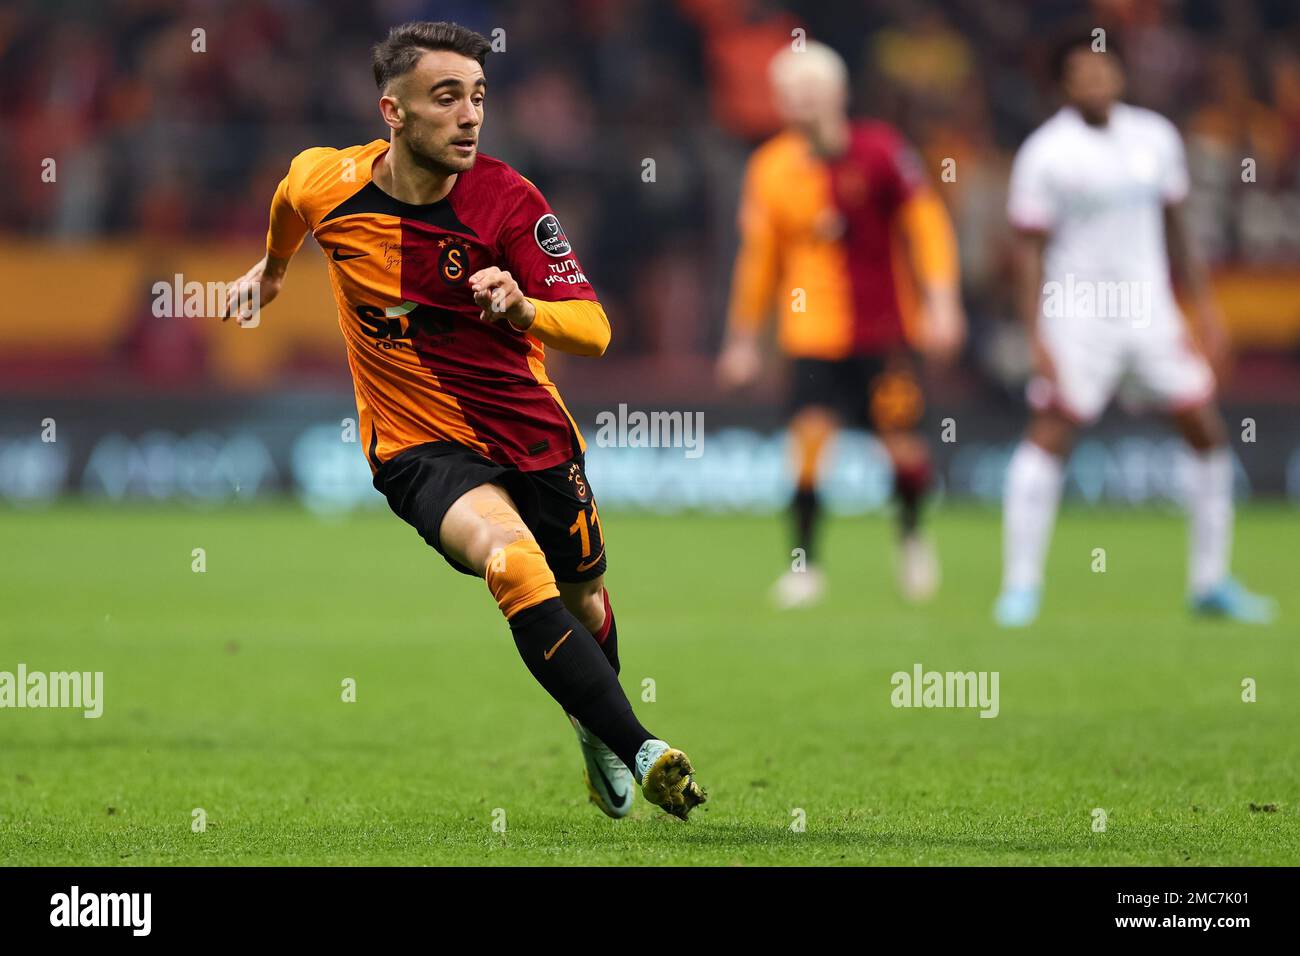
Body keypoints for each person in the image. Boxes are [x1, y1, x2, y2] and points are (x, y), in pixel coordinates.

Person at [222, 21, 706, 819]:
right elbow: (287, 201)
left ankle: (592, 720)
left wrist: (523, 308)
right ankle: (642, 745)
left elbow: (595, 328)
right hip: (415, 445)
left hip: (528, 432)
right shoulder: (328, 183)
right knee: (513, 565)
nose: (469, 116)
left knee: (584, 598)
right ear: (394, 110)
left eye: (478, 97)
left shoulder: (509, 200)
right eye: (446, 97)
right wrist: (270, 271)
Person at [995, 31, 1276, 627]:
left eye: (1104, 70)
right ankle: (1020, 587)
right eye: (1082, 73)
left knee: (1203, 427)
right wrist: (1035, 333)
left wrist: (1205, 309)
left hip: (1149, 311)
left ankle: (1211, 581)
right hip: (1078, 313)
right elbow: (1027, 252)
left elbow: (1179, 228)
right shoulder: (1046, 153)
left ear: (1120, 76)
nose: (1096, 82)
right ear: (1063, 84)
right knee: (1050, 431)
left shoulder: (1156, 137)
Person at [717, 40, 965, 608]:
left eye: (812, 91)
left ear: (838, 93)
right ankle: (806, 568)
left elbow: (926, 227)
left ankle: (911, 541)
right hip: (811, 337)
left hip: (885, 332)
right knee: (806, 445)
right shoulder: (771, 168)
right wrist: (742, 338)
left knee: (902, 446)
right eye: (790, 94)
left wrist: (942, 301)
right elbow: (759, 261)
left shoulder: (882, 151)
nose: (801, 103)